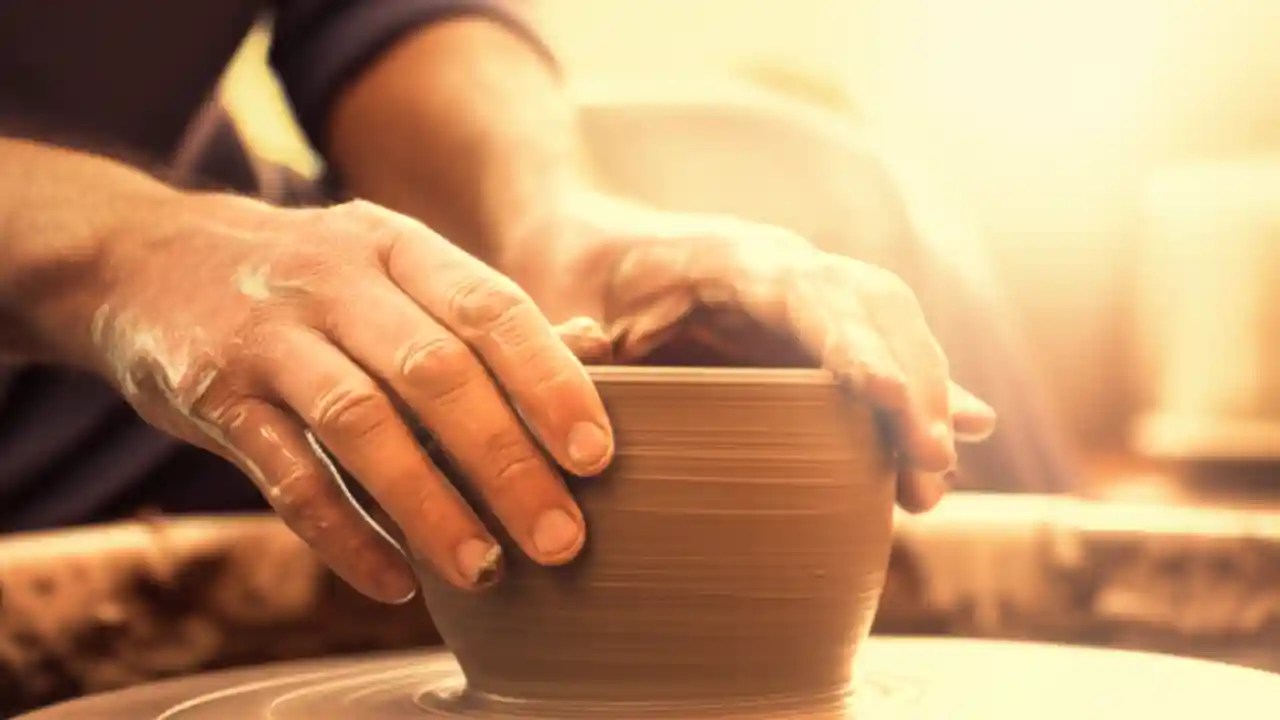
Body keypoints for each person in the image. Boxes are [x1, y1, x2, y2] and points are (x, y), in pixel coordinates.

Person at [0, 1, 1002, 605]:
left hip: (214, 319)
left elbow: (371, 17)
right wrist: (126, 254)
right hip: (80, 351)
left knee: (862, 274)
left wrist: (544, 224)